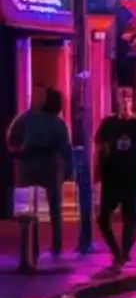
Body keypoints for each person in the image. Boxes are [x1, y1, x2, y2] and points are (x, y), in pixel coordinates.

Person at [94, 86, 136, 276]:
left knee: (132, 219)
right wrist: (96, 178)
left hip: (132, 180)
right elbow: (99, 151)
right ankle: (117, 252)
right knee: (103, 218)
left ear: (132, 101)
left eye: (128, 97)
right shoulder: (108, 125)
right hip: (112, 179)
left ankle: (124, 252)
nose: (124, 101)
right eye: (121, 97)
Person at [7, 89, 72, 259]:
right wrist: (68, 171)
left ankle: (30, 246)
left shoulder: (25, 119)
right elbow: (66, 148)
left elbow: (11, 139)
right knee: (54, 207)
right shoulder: (58, 123)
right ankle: (56, 245)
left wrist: (19, 153)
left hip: (27, 165)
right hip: (52, 166)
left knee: (28, 208)